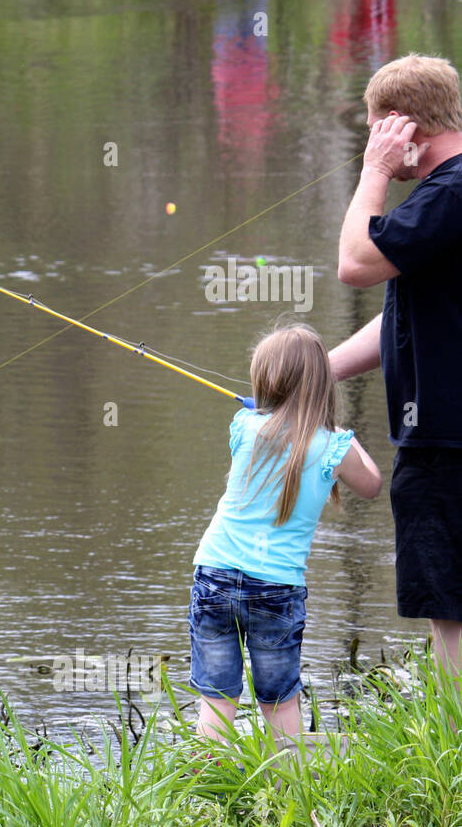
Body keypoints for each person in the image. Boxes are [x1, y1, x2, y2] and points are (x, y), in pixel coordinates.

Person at [330, 53, 462, 682]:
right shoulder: (446, 203)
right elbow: (411, 317)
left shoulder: (448, 194)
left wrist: (374, 172)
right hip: (444, 435)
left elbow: (355, 261)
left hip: (447, 440)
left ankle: (451, 752)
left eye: (378, 129)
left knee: (451, 612)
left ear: (403, 128)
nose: (374, 142)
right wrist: (319, 370)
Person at [190, 325, 382, 741]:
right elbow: (372, 485)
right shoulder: (335, 445)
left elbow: (270, 432)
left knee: (216, 696)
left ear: (264, 382)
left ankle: (206, 794)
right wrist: (343, 435)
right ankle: (288, 790)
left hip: (215, 573)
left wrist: (265, 411)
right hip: (276, 588)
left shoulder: (244, 424)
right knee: (279, 700)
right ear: (322, 385)